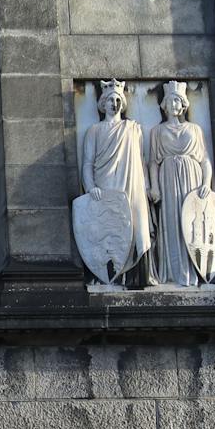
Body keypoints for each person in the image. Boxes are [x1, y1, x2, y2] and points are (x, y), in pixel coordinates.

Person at [77, 78, 152, 286]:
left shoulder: (132, 128)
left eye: (118, 99)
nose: (114, 103)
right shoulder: (95, 130)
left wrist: (147, 187)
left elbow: (141, 161)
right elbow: (87, 164)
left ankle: (134, 277)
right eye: (110, 99)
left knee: (135, 227)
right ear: (103, 104)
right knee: (110, 231)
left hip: (131, 184)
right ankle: (110, 274)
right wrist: (91, 187)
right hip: (106, 184)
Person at [147, 80, 215, 288]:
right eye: (170, 101)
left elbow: (204, 160)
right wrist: (155, 186)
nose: (174, 105)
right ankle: (174, 273)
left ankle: (197, 269)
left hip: (192, 180)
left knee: (193, 223)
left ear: (183, 104)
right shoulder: (157, 132)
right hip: (168, 179)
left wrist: (206, 183)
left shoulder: (194, 129)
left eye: (178, 101)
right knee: (171, 222)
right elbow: (153, 163)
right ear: (164, 105)